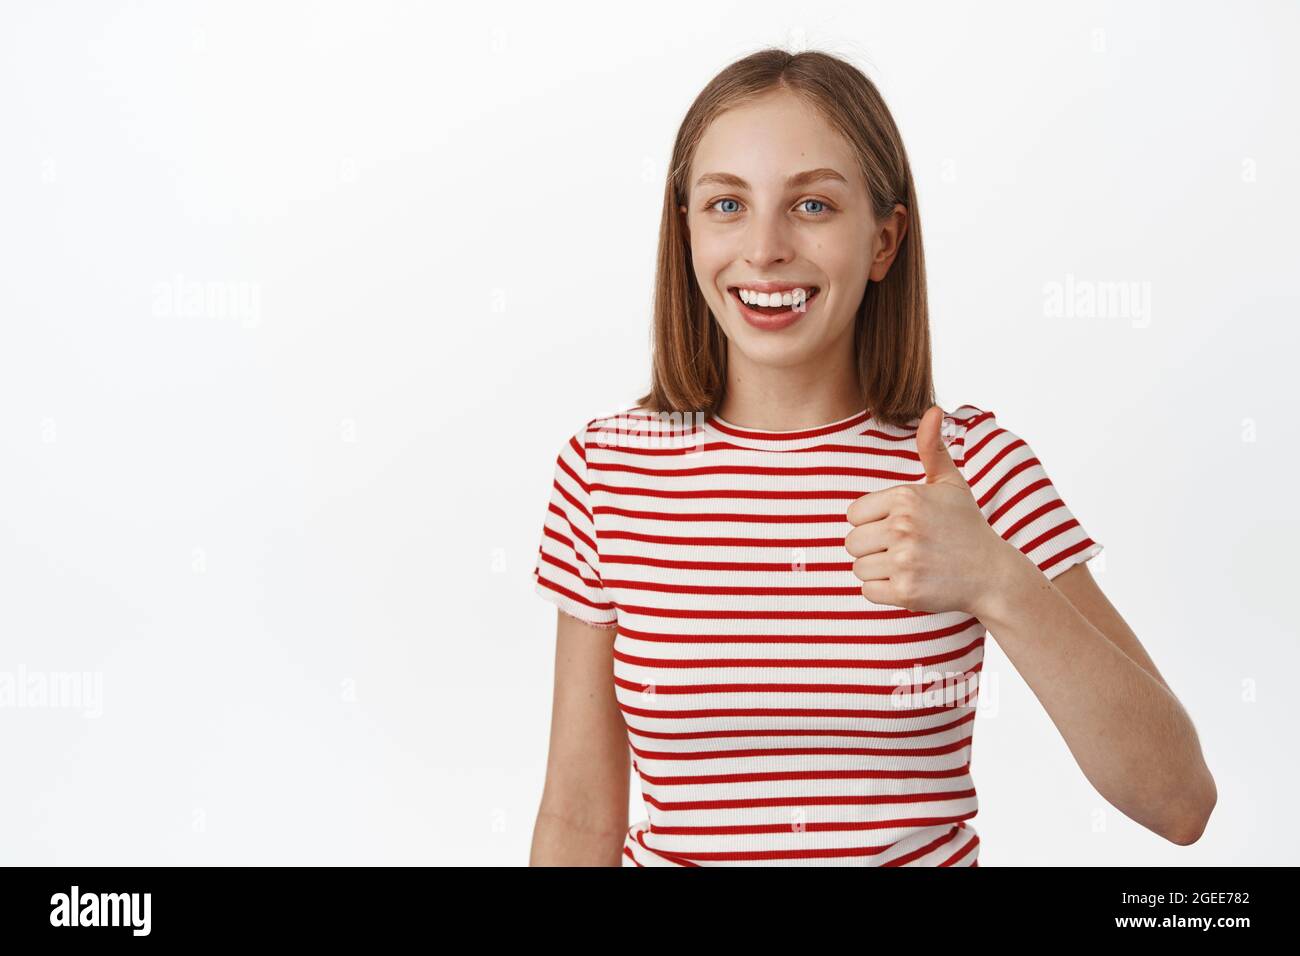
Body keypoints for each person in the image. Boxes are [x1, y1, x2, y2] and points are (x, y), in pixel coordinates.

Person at [528, 48, 1215, 866]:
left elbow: (1179, 800)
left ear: (884, 239)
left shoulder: (972, 470)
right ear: (686, 232)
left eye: (812, 204)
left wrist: (994, 578)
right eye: (725, 205)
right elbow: (577, 816)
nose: (765, 248)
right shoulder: (608, 473)